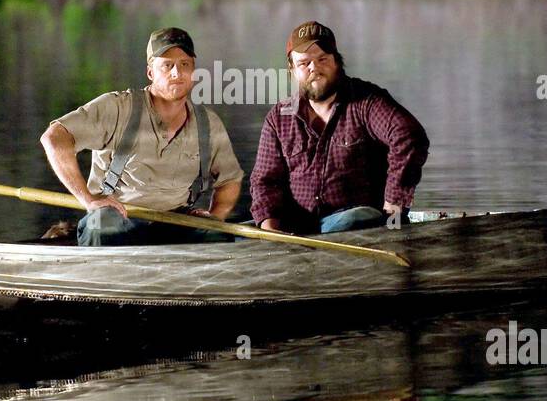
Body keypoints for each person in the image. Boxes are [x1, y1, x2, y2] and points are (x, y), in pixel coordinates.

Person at [40, 27, 244, 246]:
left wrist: (215, 217)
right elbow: (54, 137)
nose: (177, 73)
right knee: (102, 229)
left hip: (176, 220)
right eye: (167, 65)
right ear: (150, 73)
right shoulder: (117, 108)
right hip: (118, 218)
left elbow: (230, 178)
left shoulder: (208, 124)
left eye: (184, 64)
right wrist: (87, 199)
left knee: (219, 237)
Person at [250, 21, 429, 235]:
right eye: (304, 63)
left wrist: (393, 207)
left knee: (355, 218)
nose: (314, 68)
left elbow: (409, 136)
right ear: (292, 70)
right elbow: (265, 181)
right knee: (227, 235)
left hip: (360, 227)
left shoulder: (366, 102)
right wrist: (270, 232)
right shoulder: (278, 119)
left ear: (337, 62)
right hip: (298, 231)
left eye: (322, 59)